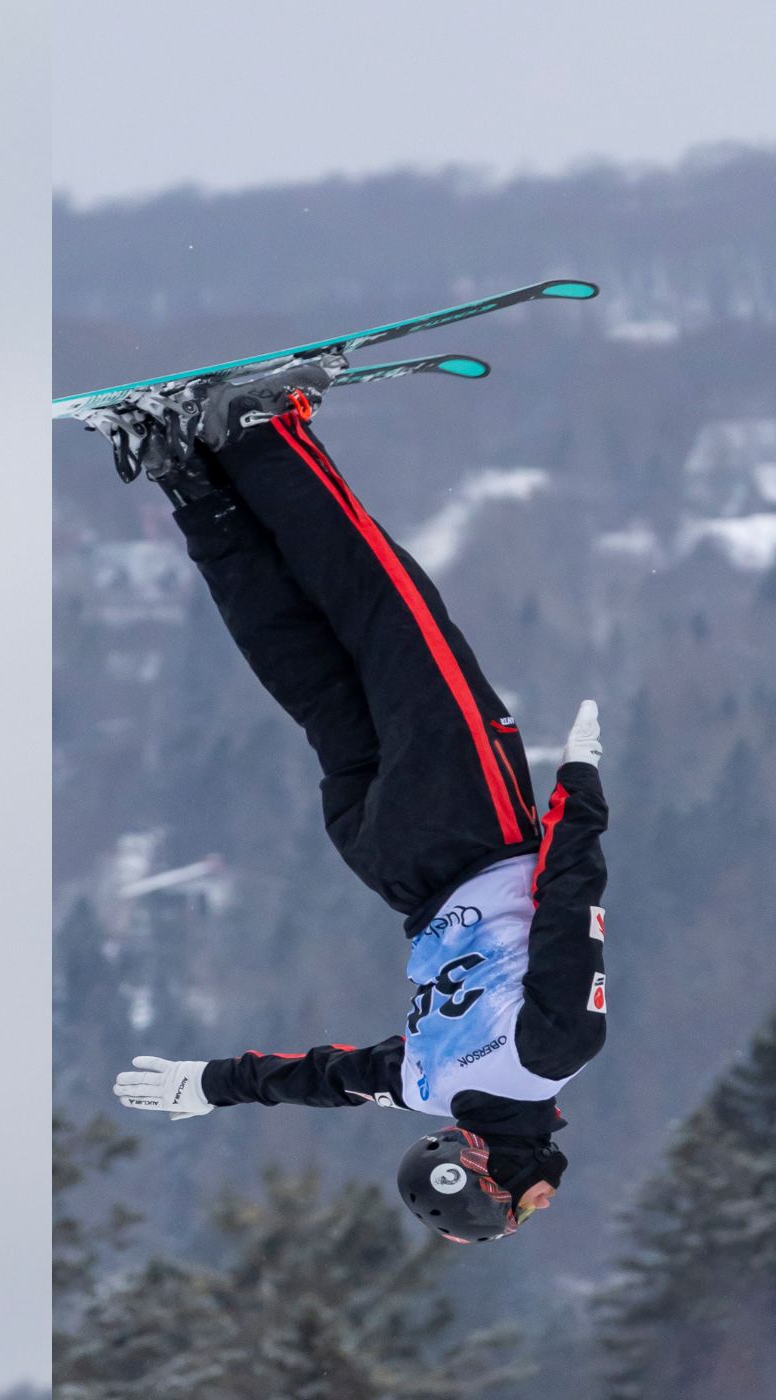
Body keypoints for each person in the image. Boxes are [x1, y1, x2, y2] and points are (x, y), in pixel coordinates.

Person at [103, 364, 608, 1245]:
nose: (542, 1199)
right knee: (303, 661)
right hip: (386, 863)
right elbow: (324, 1077)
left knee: (388, 613)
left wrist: (580, 789)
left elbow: (572, 908)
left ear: (489, 1170)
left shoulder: (551, 1055)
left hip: (468, 826)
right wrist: (213, 1084)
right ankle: (184, 469)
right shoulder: (424, 1085)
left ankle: (260, 430)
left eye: (521, 1206)